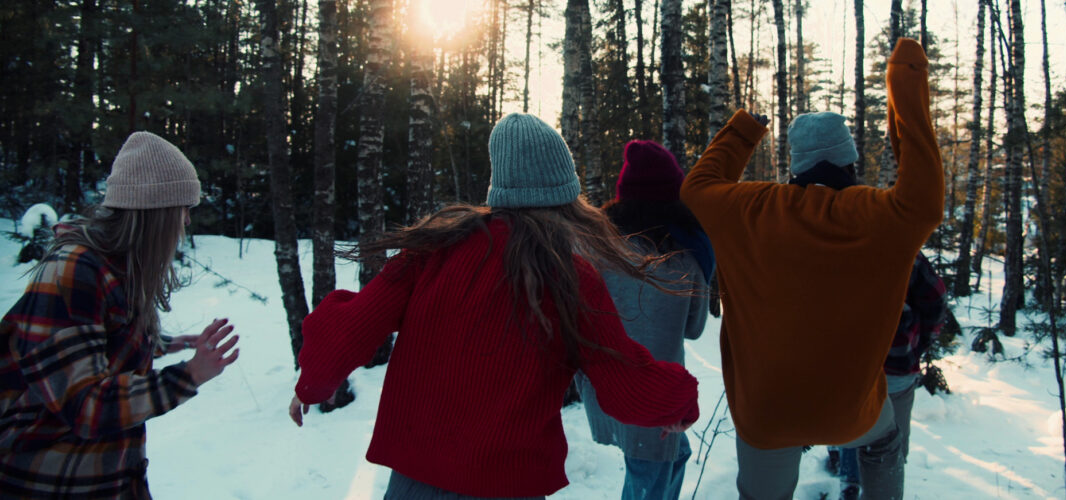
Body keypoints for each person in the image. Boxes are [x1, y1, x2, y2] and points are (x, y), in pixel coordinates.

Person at [288, 113, 700, 500]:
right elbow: (622, 374)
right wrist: (677, 402)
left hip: (416, 483)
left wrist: (312, 384)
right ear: (566, 194)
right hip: (509, 486)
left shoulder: (432, 252)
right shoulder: (571, 277)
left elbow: (350, 326)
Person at [680, 38, 944, 500]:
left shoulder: (749, 210)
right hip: (849, 413)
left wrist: (744, 130)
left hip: (767, 414)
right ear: (851, 163)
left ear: (794, 170)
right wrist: (905, 81)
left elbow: (696, 187)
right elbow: (924, 193)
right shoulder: (882, 218)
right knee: (884, 441)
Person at [0, 131, 241, 498]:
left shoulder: (116, 267)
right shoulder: (73, 270)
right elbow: (86, 406)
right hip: (47, 483)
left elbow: (97, 342)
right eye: (183, 209)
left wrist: (166, 343)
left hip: (109, 481)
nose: (187, 222)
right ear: (155, 212)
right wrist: (190, 375)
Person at [577, 140, 713, 500]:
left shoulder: (594, 246)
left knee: (673, 457)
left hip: (604, 383)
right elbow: (694, 329)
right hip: (655, 389)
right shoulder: (687, 256)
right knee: (649, 478)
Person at [827, 251, 947, 500]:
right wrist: (916, 345)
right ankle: (859, 485)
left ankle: (849, 483)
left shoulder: (829, 242)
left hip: (849, 366)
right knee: (889, 444)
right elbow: (935, 301)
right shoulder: (902, 247)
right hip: (894, 366)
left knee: (854, 421)